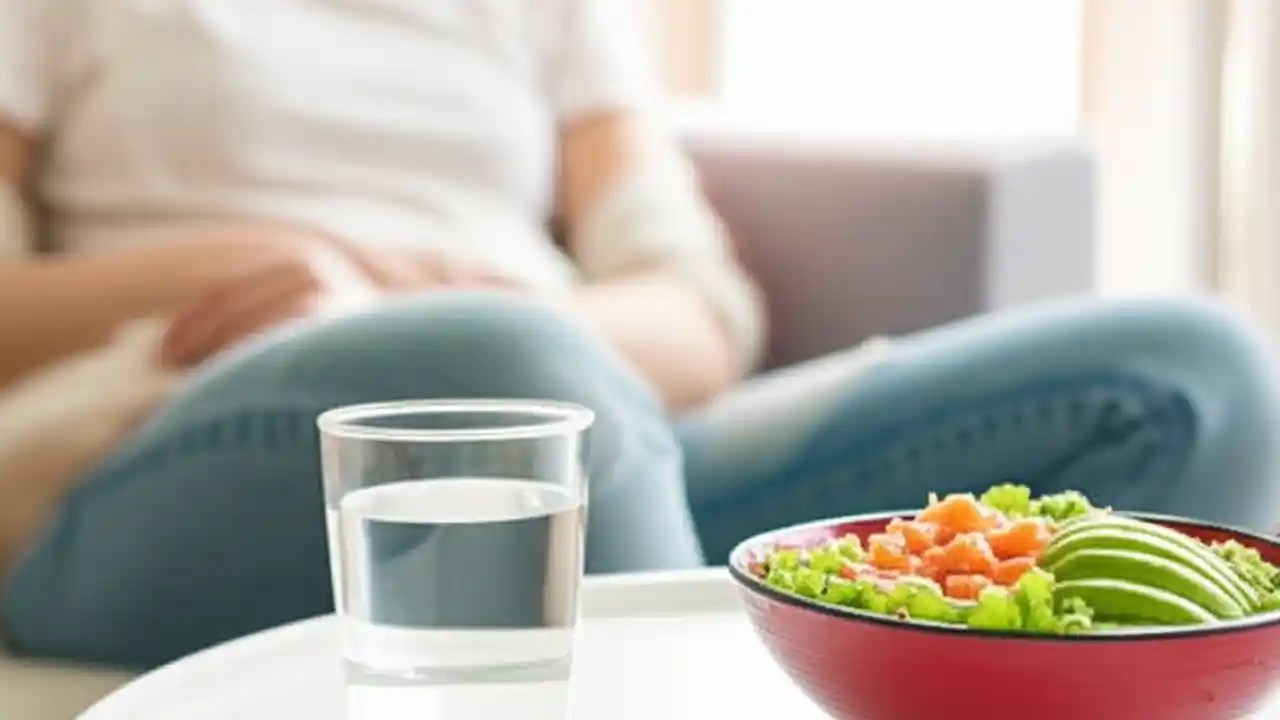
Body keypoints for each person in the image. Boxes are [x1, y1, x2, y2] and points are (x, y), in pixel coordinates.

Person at [0, 1, 1276, 668]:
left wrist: (491, 330)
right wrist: (240, 272)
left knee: (1188, 374)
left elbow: (692, 303)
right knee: (503, 379)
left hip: (584, 417)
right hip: (181, 442)